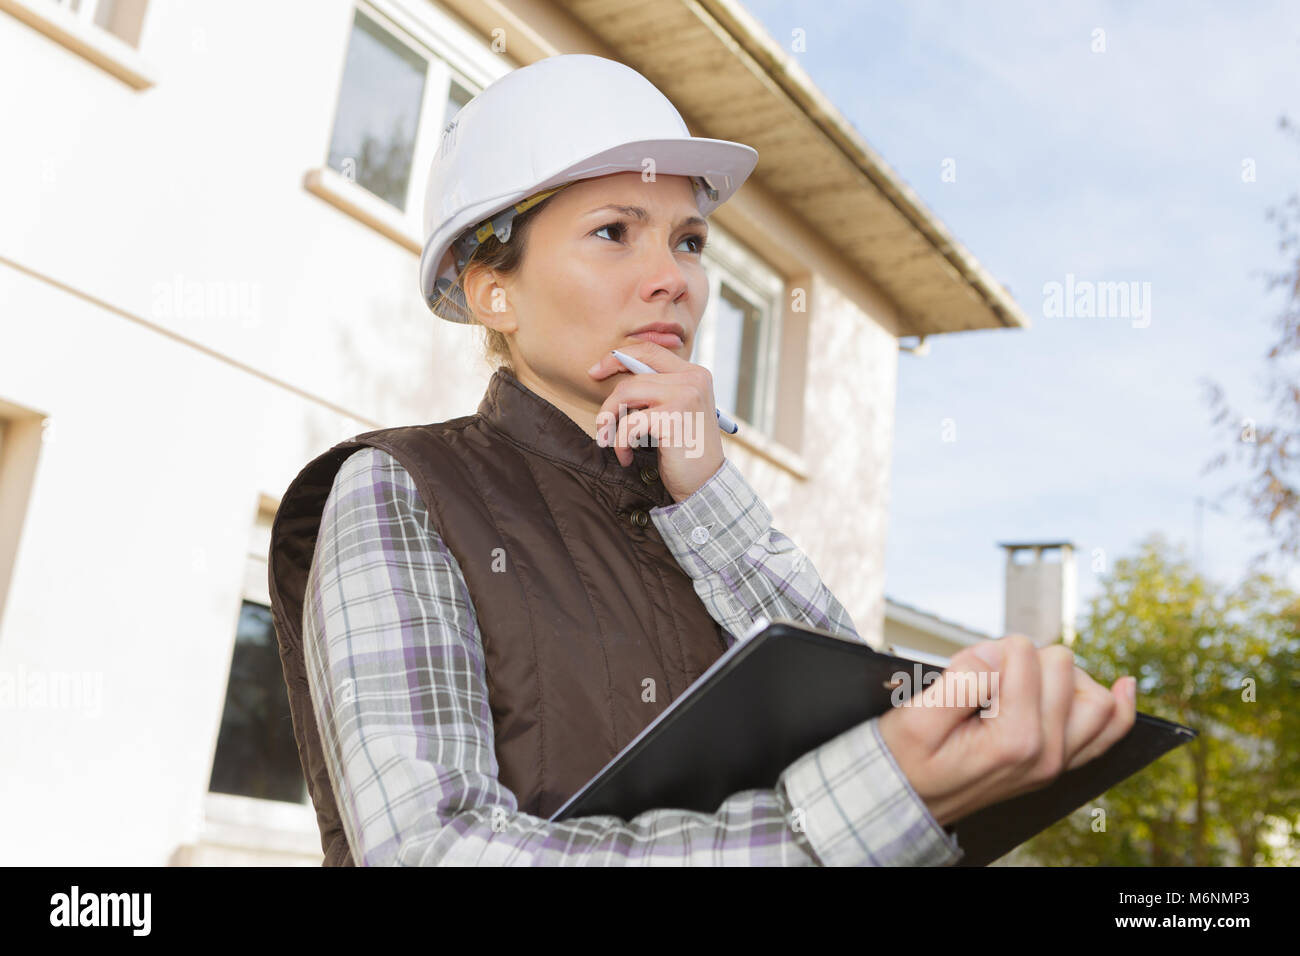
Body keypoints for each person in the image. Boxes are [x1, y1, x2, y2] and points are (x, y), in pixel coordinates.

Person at [267, 54, 1136, 867]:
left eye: (689, 242)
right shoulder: (400, 488)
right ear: (493, 288)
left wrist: (712, 496)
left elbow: (853, 733)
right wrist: (826, 835)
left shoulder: (695, 508)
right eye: (615, 232)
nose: (673, 278)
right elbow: (431, 849)